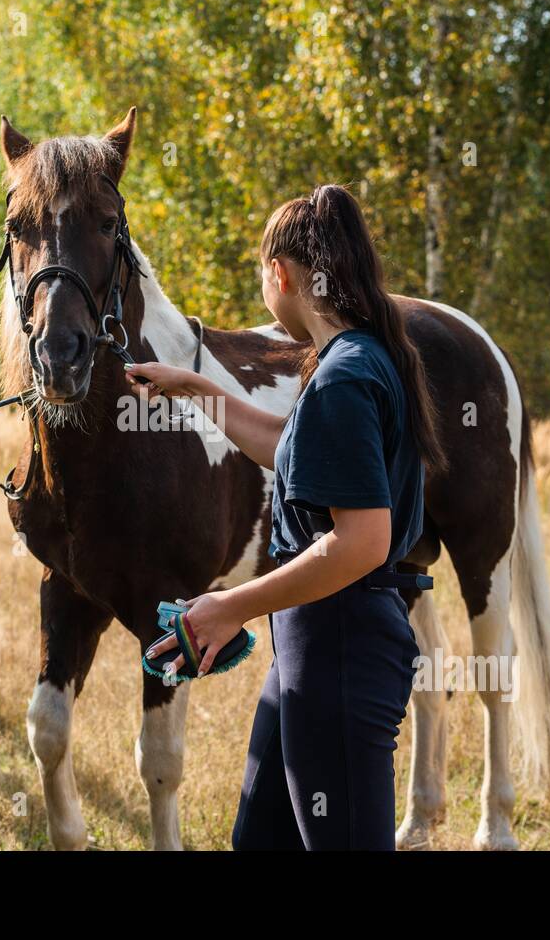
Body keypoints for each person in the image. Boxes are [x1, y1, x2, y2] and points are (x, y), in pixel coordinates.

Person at [126, 183, 446, 850]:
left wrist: (229, 605)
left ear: (282, 273)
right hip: (313, 651)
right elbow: (297, 452)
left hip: (341, 654)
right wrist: (197, 389)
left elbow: (361, 542)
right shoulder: (356, 359)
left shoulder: (344, 379)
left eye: (259, 274)